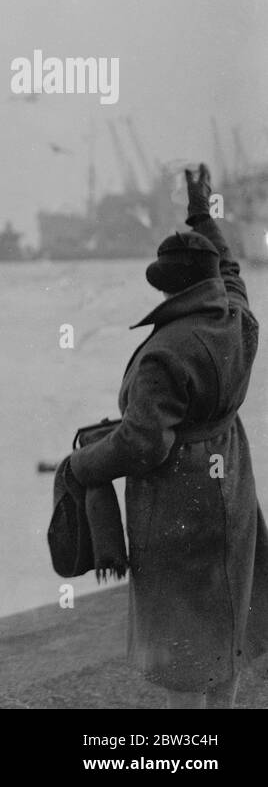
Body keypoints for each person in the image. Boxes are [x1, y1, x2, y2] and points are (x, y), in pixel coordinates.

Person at [69, 163, 268, 707]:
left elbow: (143, 443)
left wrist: (85, 466)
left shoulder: (164, 353)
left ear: (166, 287)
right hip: (233, 481)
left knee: (182, 654)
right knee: (226, 626)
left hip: (177, 499)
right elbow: (229, 266)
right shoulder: (238, 317)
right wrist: (202, 210)